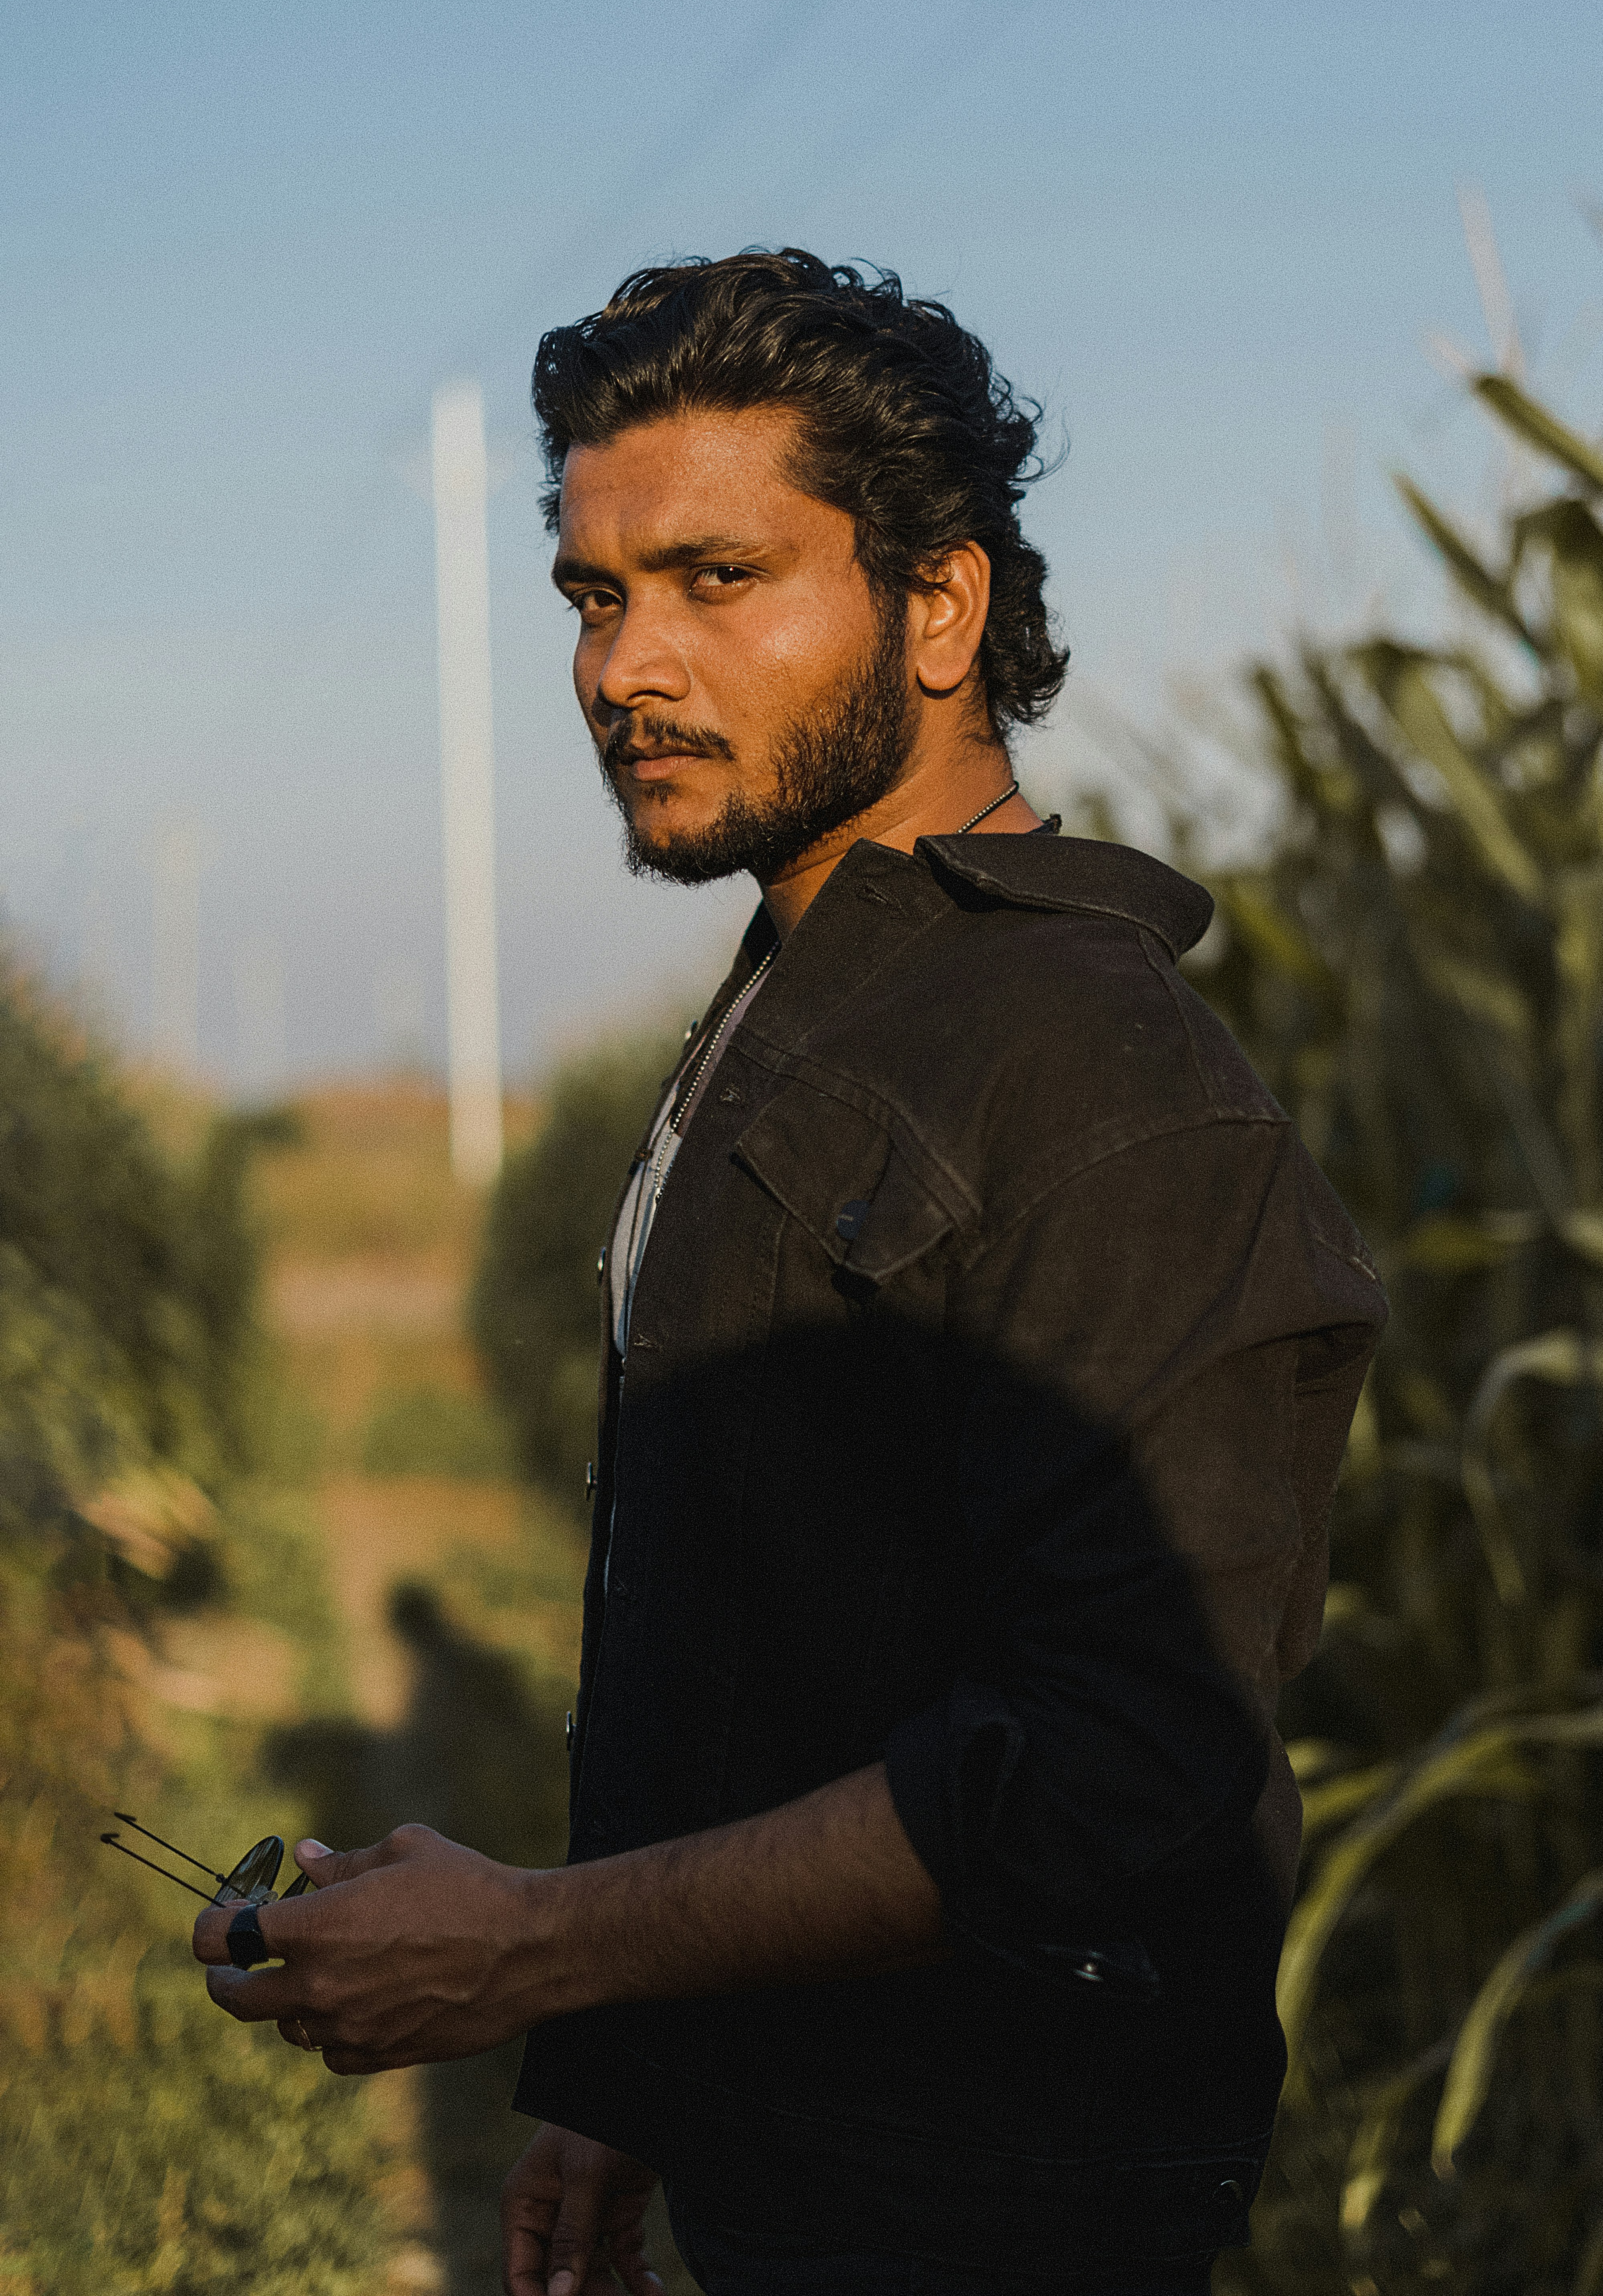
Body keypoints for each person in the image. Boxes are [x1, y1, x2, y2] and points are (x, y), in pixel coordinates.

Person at [195, 251, 1387, 2296]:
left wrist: (539, 1946)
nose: (624, 666)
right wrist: (629, 2066)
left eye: (715, 579)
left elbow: (1115, 1773)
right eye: (593, 594)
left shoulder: (1099, 1087)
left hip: (990, 2214)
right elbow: (783, 1631)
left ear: (942, 609)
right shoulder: (815, 1006)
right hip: (791, 2176)